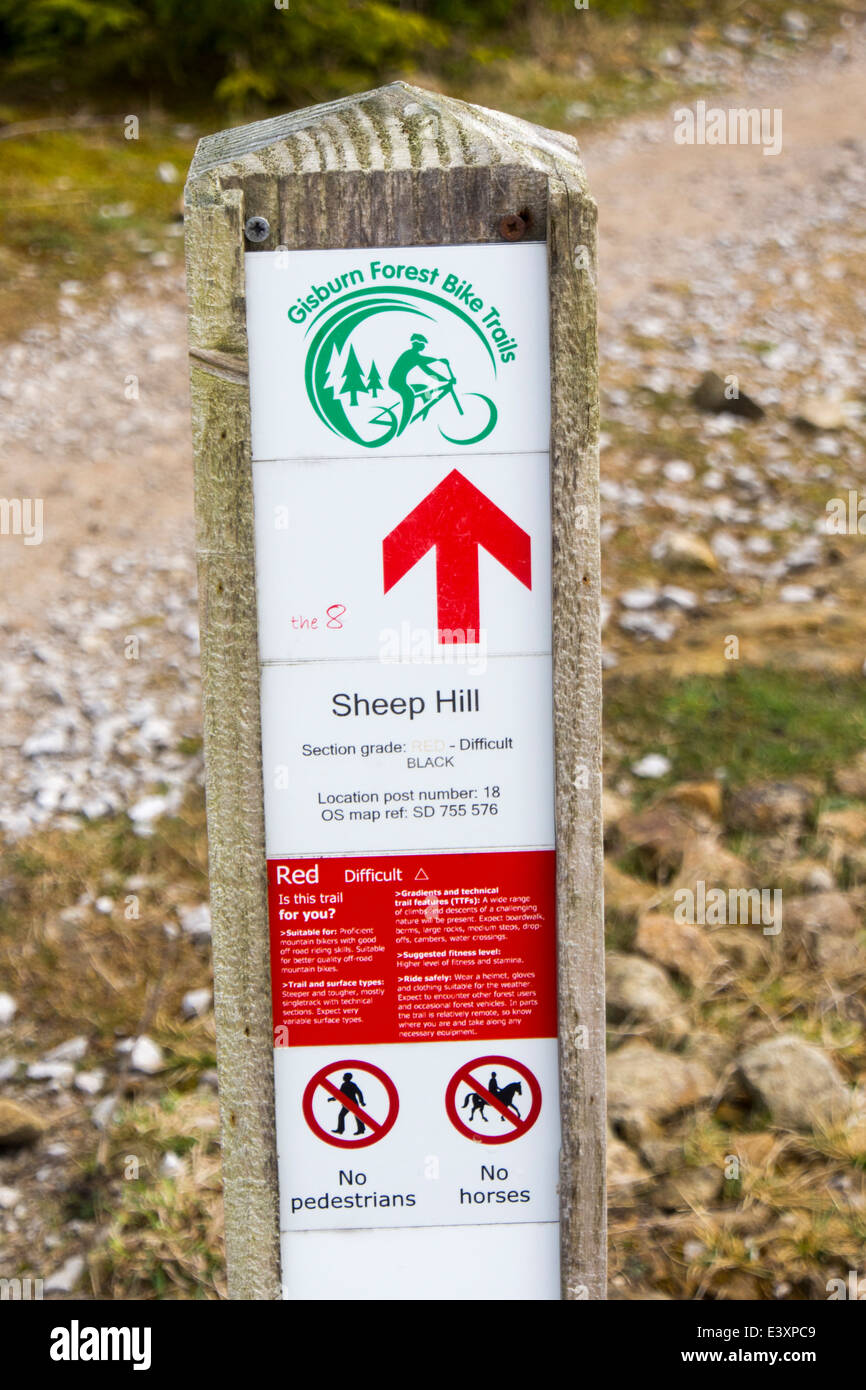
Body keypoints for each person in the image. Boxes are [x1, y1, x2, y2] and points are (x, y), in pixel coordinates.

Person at [387, 333, 454, 432]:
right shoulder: (410, 354)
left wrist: (445, 379)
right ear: (416, 344)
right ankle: (404, 423)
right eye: (423, 344)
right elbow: (425, 364)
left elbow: (427, 370)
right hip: (396, 382)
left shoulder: (415, 356)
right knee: (409, 397)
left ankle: (424, 407)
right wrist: (439, 360)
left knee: (424, 388)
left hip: (400, 381)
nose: (424, 346)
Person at [328, 1071, 367, 1136]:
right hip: (346, 1104)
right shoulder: (344, 1085)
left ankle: (360, 1130)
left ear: (347, 1077)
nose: (343, 1077)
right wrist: (333, 1098)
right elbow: (339, 1094)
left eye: (344, 1076)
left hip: (352, 1103)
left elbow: (359, 1093)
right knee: (343, 1115)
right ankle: (341, 1130)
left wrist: (361, 1102)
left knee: (356, 1116)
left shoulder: (352, 1085)